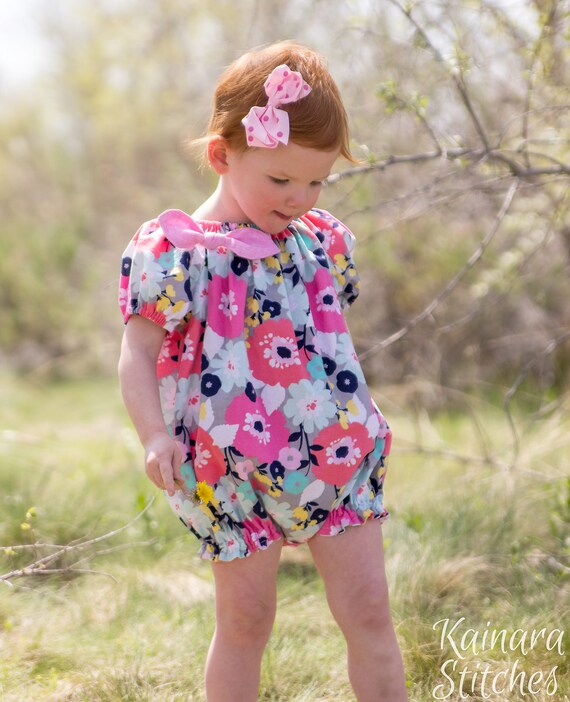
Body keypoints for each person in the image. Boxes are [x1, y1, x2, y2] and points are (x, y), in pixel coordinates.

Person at [118, 40, 407, 702]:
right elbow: (136, 352)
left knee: (368, 611)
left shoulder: (319, 240)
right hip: (230, 473)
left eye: (317, 181)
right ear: (222, 155)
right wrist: (154, 435)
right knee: (245, 621)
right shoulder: (173, 252)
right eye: (281, 181)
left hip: (335, 456)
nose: (300, 197)